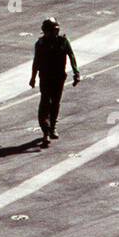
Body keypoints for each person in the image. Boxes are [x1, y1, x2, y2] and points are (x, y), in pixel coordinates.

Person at [28, 17, 80, 146]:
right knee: (46, 102)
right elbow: (36, 62)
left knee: (55, 103)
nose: (55, 33)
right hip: (45, 77)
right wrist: (33, 77)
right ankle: (46, 132)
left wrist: (76, 73)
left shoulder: (63, 41)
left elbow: (71, 55)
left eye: (56, 30)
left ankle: (52, 127)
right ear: (45, 31)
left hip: (59, 77)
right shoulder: (40, 44)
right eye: (52, 30)